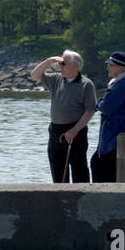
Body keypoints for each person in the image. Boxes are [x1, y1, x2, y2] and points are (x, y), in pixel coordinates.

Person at [31, 50, 96, 183]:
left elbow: (90, 110)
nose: (60, 66)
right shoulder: (56, 79)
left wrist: (75, 130)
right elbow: (35, 75)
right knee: (57, 169)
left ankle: (81, 197)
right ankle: (60, 199)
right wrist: (49, 61)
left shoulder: (86, 84)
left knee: (79, 168)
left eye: (63, 63)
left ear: (75, 66)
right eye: (60, 63)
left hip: (76, 131)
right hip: (55, 131)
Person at [90, 51, 125, 182]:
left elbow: (106, 107)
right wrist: (102, 102)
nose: (107, 67)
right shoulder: (121, 82)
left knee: (105, 171)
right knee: (96, 163)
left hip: (116, 136)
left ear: (120, 67)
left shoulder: (124, 84)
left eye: (110, 64)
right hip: (112, 135)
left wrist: (99, 103)